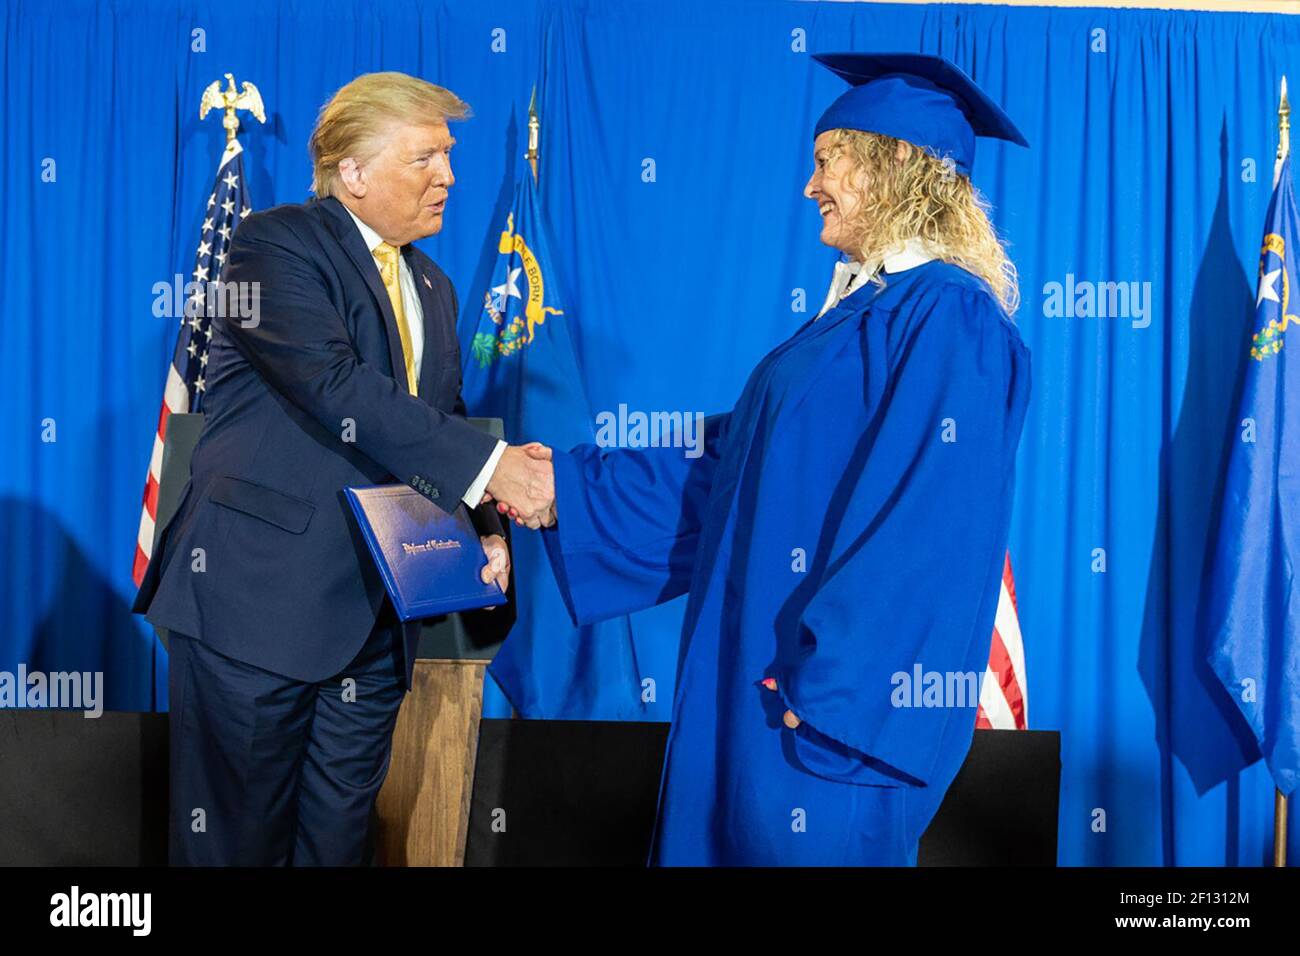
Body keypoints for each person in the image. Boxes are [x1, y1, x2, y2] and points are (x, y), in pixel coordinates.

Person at [493, 53, 1032, 865]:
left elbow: (928, 529)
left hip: (827, 723)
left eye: (827, 162)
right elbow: (733, 468)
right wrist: (565, 487)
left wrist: (833, 696)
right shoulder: (856, 315)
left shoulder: (948, 318)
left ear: (896, 163)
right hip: (754, 690)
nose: (810, 187)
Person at [132, 72, 554, 866]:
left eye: (451, 156)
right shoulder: (271, 245)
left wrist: (484, 525)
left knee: (337, 845)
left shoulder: (431, 283)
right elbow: (333, 385)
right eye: (426, 157)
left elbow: (439, 422)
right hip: (255, 608)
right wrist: (498, 469)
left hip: (371, 620)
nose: (449, 176)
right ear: (353, 172)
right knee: (238, 844)